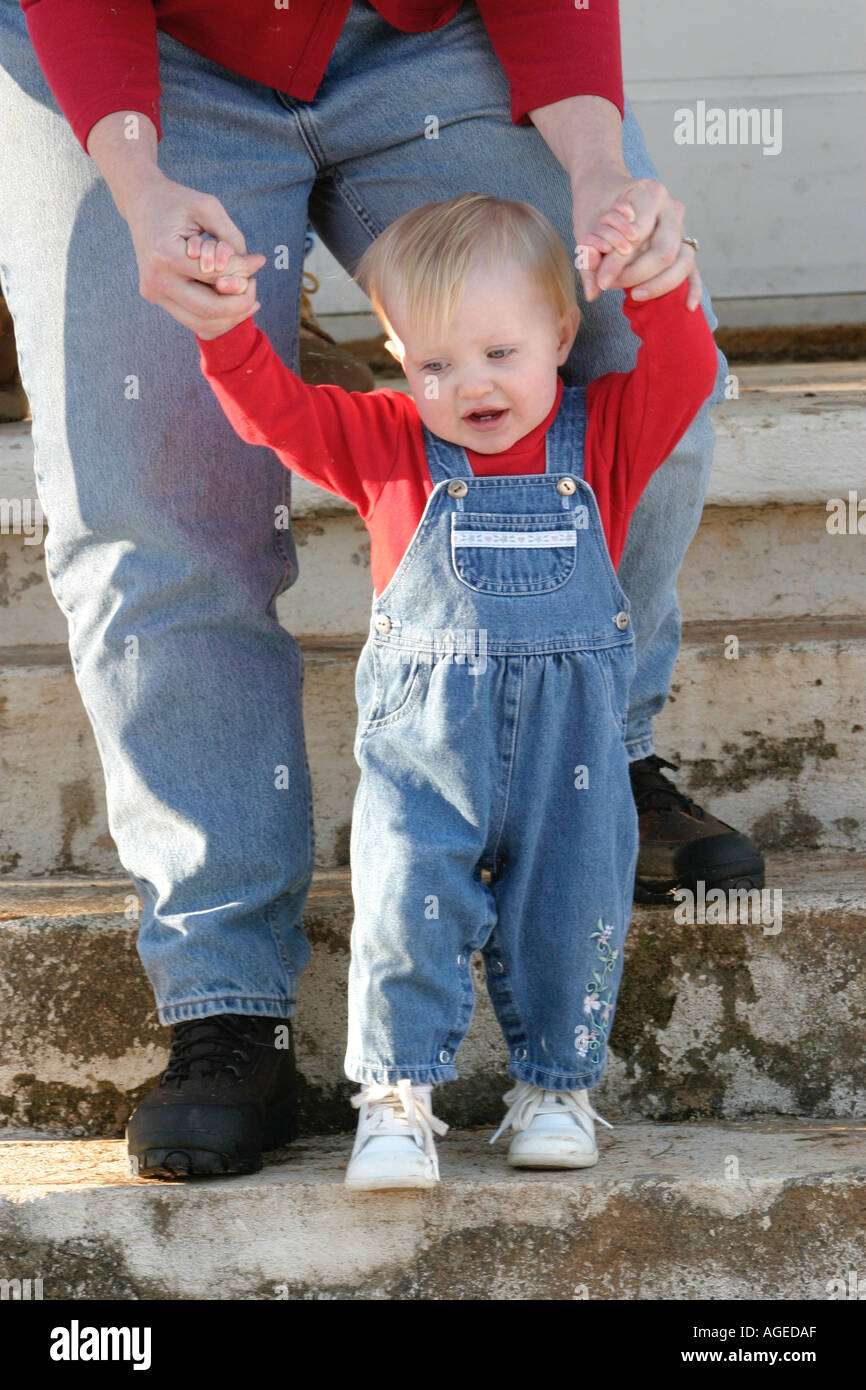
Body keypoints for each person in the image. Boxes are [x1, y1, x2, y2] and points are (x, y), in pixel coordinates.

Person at [0, 0, 762, 1179]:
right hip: (134, 55)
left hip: (425, 34)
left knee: (620, 336)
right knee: (149, 491)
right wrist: (141, 186)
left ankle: (591, 749)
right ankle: (225, 1001)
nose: (473, 383)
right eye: (436, 371)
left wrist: (605, 171)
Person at [189, 192, 719, 1187]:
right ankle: (394, 1100)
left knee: (570, 909)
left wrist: (658, 282)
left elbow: (687, 370)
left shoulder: (599, 436)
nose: (468, 384)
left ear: (561, 335)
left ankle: (556, 1088)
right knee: (404, 904)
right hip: (425, 753)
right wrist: (227, 333)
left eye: (498, 354)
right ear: (396, 357)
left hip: (573, 755)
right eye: (433, 363)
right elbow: (280, 413)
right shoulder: (390, 443)